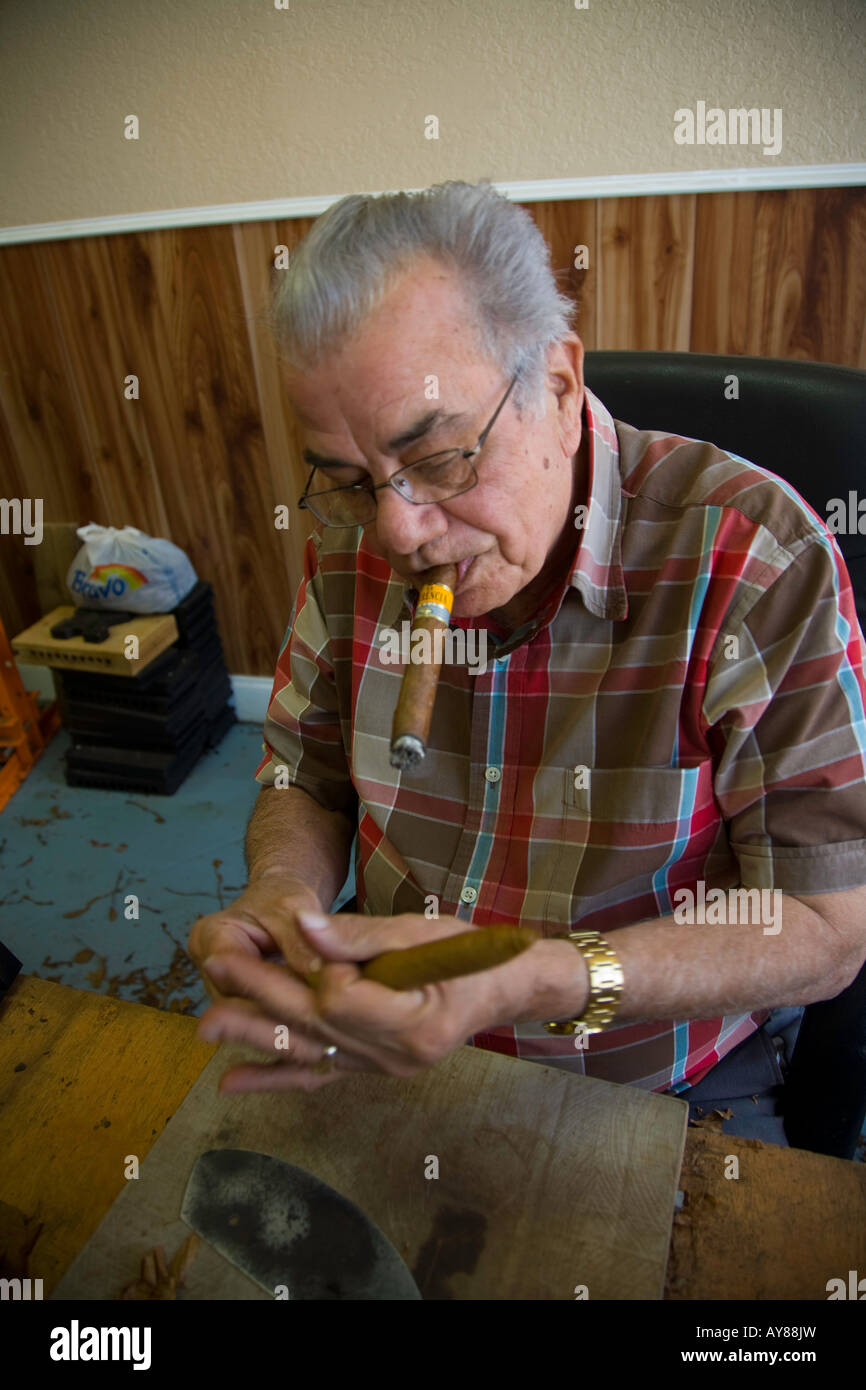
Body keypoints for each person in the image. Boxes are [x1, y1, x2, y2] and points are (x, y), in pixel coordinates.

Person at [187, 180, 866, 1147]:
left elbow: (827, 923)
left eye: (443, 458)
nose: (400, 531)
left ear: (555, 382)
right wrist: (286, 902)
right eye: (347, 480)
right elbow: (309, 774)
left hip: (655, 1080)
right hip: (376, 1023)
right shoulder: (356, 541)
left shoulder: (754, 557)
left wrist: (540, 976)